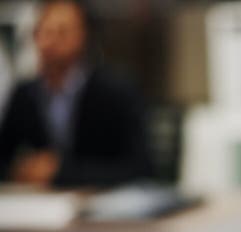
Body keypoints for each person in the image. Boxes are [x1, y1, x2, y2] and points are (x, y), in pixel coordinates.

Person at [0, 0, 153, 188]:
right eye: (43, 32)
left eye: (61, 32)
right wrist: (21, 169)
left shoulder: (115, 93)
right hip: (39, 207)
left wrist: (61, 173)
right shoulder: (25, 95)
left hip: (102, 206)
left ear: (84, 36)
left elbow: (142, 168)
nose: (49, 42)